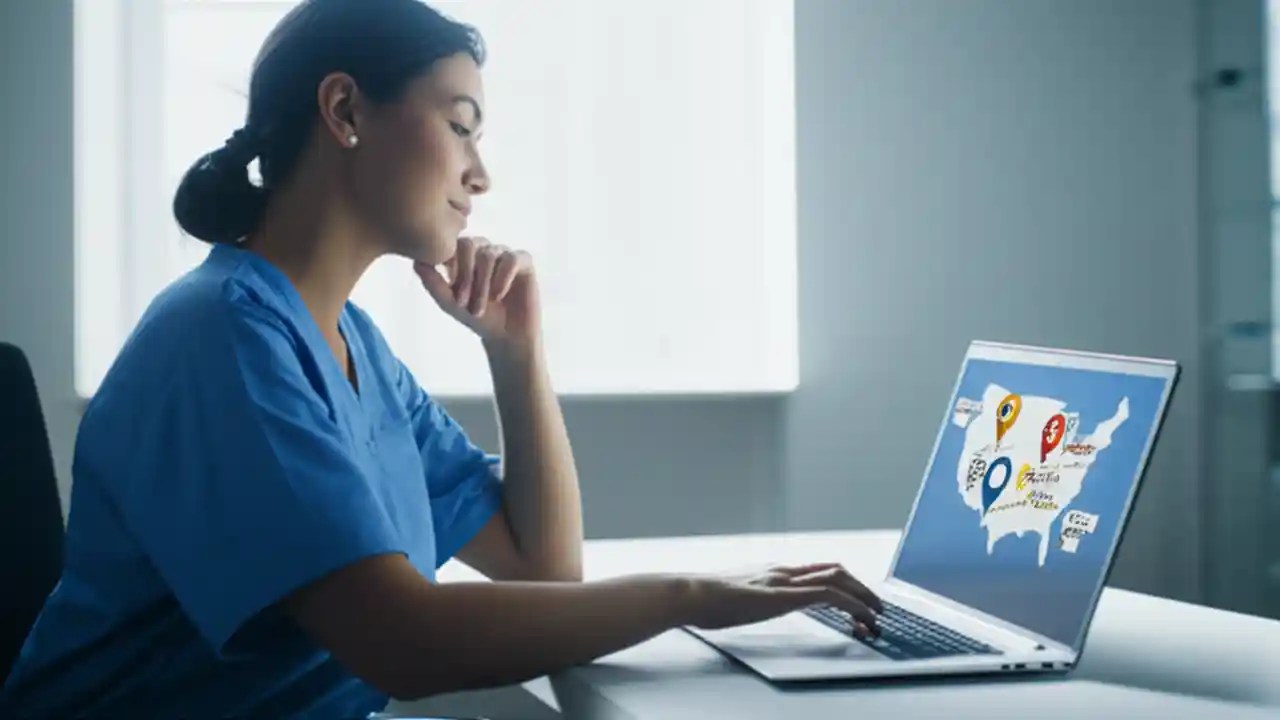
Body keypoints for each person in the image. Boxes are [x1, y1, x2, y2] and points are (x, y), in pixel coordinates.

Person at [0, 1, 882, 717]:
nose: (480, 173)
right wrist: (692, 595)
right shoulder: (222, 339)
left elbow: (543, 569)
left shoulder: (353, 349)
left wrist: (518, 351)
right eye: (461, 126)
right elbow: (404, 644)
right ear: (344, 111)